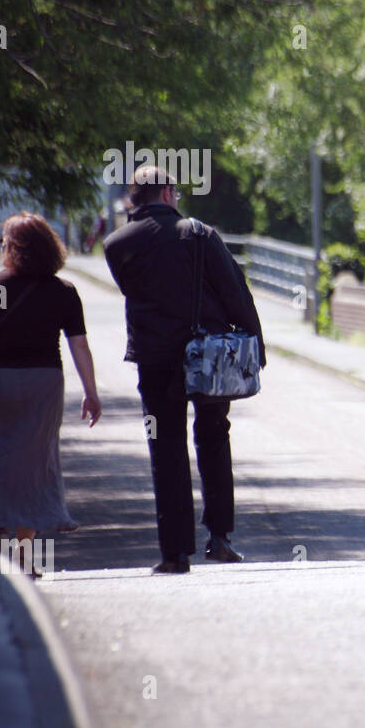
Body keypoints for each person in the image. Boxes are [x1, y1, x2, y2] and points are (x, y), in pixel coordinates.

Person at [104, 165, 265, 574]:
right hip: (206, 355)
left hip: (155, 358)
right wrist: (254, 343)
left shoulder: (115, 244)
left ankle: (174, 553)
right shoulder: (198, 234)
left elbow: (135, 292)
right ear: (167, 193)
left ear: (132, 200)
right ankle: (220, 537)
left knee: (165, 447)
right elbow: (235, 291)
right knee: (213, 437)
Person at [0, 212, 102, 576]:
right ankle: (24, 556)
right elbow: (79, 345)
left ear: (14, 248)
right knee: (34, 465)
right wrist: (91, 393)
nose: (1, 247)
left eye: (4, 241)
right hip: (43, 384)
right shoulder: (62, 290)